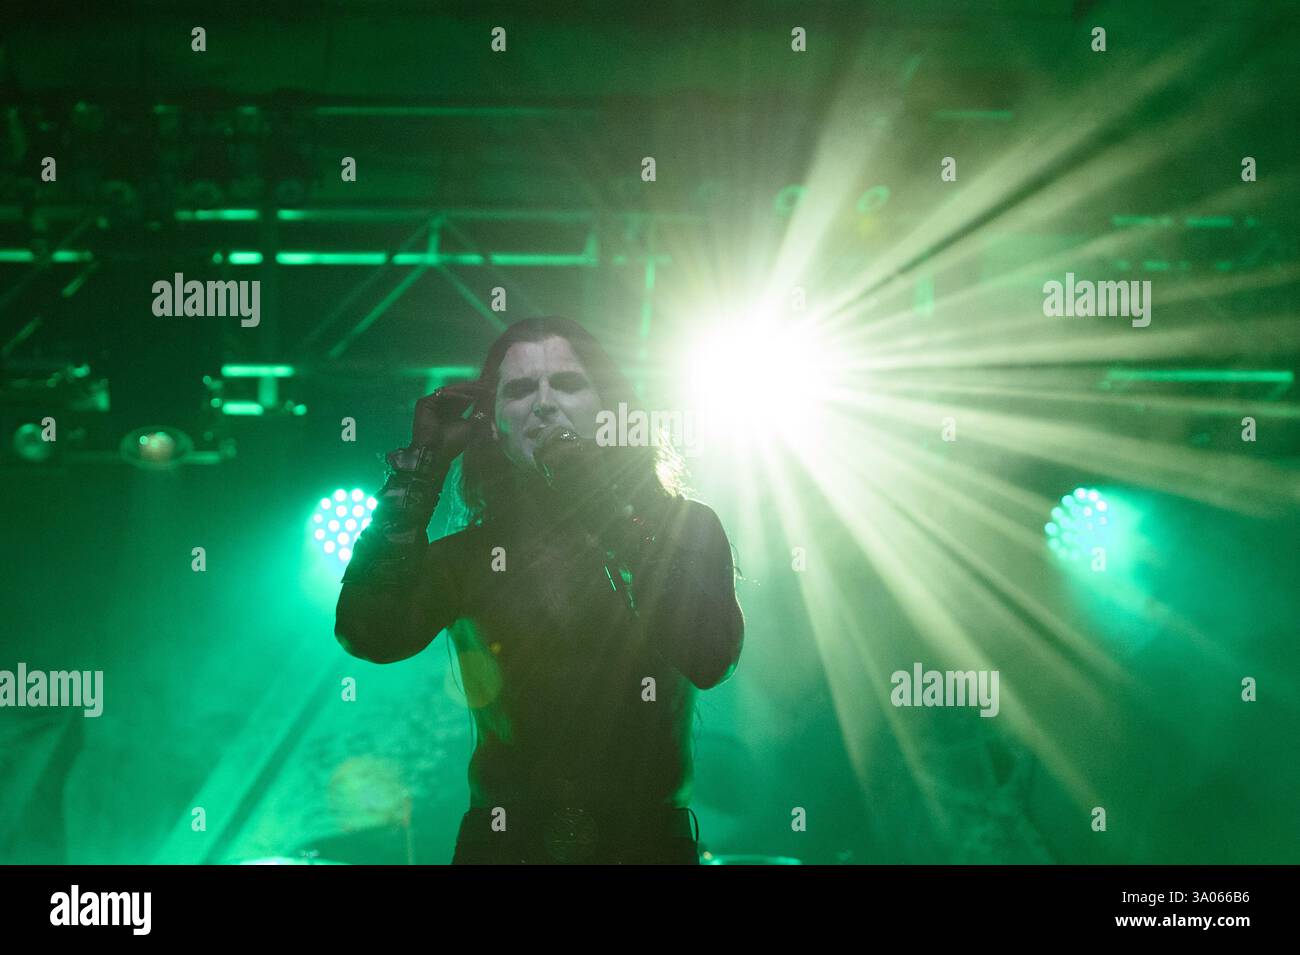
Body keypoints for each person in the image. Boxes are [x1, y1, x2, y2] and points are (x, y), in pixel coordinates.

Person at [334, 316, 744, 864]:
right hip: (505, 847)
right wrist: (421, 470)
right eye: (521, 390)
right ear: (495, 424)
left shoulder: (685, 528)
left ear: (610, 410)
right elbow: (369, 634)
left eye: (568, 385)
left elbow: (709, 654)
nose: (544, 404)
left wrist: (601, 501)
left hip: (645, 846)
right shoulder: (467, 556)